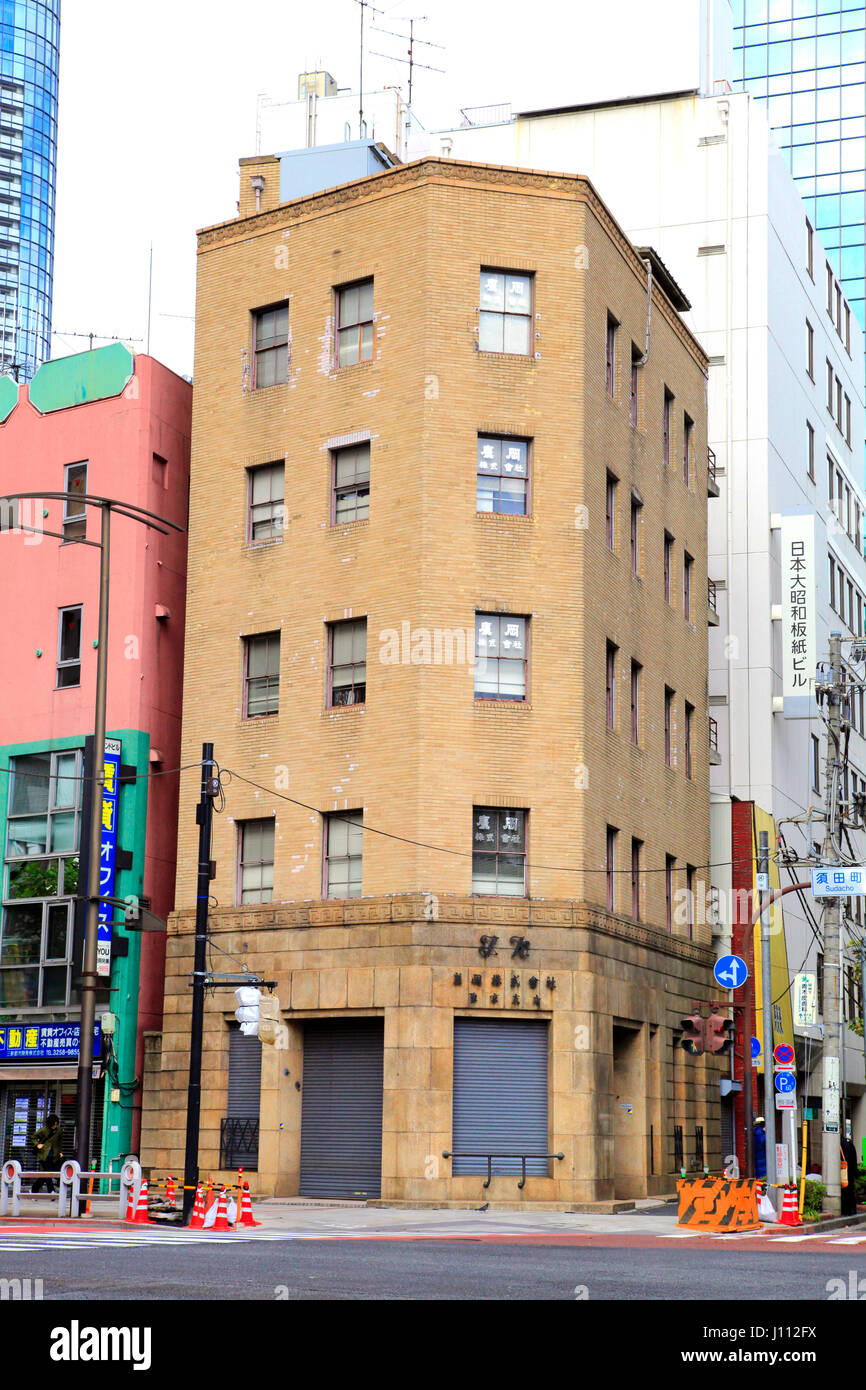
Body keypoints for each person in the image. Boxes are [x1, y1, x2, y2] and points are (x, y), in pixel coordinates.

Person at [31, 1113, 63, 1194]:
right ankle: (51, 1191)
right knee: (48, 1172)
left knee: (46, 1173)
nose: (55, 1126)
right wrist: (37, 1144)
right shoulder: (44, 1130)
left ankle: (34, 1189)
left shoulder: (59, 1130)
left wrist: (60, 1152)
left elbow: (59, 1142)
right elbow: (33, 1137)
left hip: (54, 1155)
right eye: (53, 1125)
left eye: (56, 1124)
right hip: (44, 1154)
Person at [841, 1132, 859, 1218]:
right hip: (849, 1171)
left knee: (843, 1190)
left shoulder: (835, 1144)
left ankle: (844, 1210)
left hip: (841, 1171)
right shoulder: (849, 1144)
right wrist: (856, 1174)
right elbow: (854, 1161)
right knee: (850, 1189)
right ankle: (852, 1209)